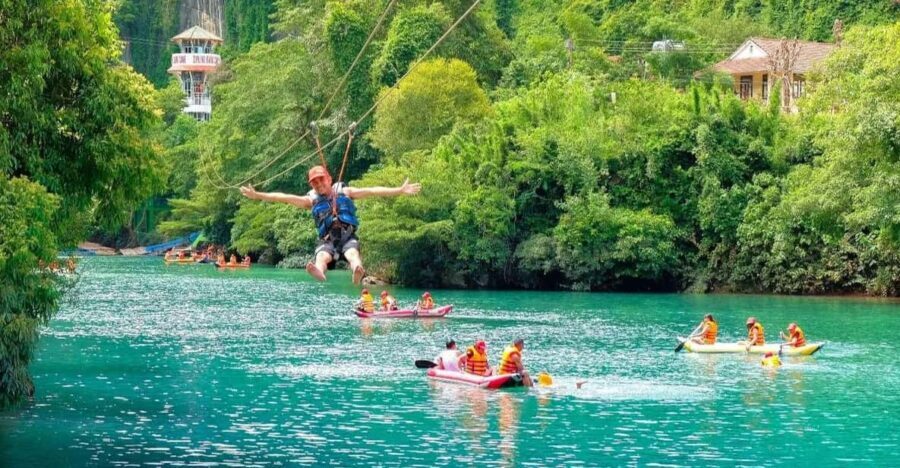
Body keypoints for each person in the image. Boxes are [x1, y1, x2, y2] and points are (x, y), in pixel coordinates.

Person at [240, 165, 421, 284]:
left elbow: (373, 191)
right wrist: (258, 195)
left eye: (321, 180)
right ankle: (319, 271)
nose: (318, 185)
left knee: (352, 254)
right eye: (315, 182)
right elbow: (284, 197)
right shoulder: (310, 200)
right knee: (322, 257)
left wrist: (399, 190)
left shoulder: (345, 191)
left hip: (347, 235)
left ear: (329, 179)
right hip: (327, 240)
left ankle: (357, 270)